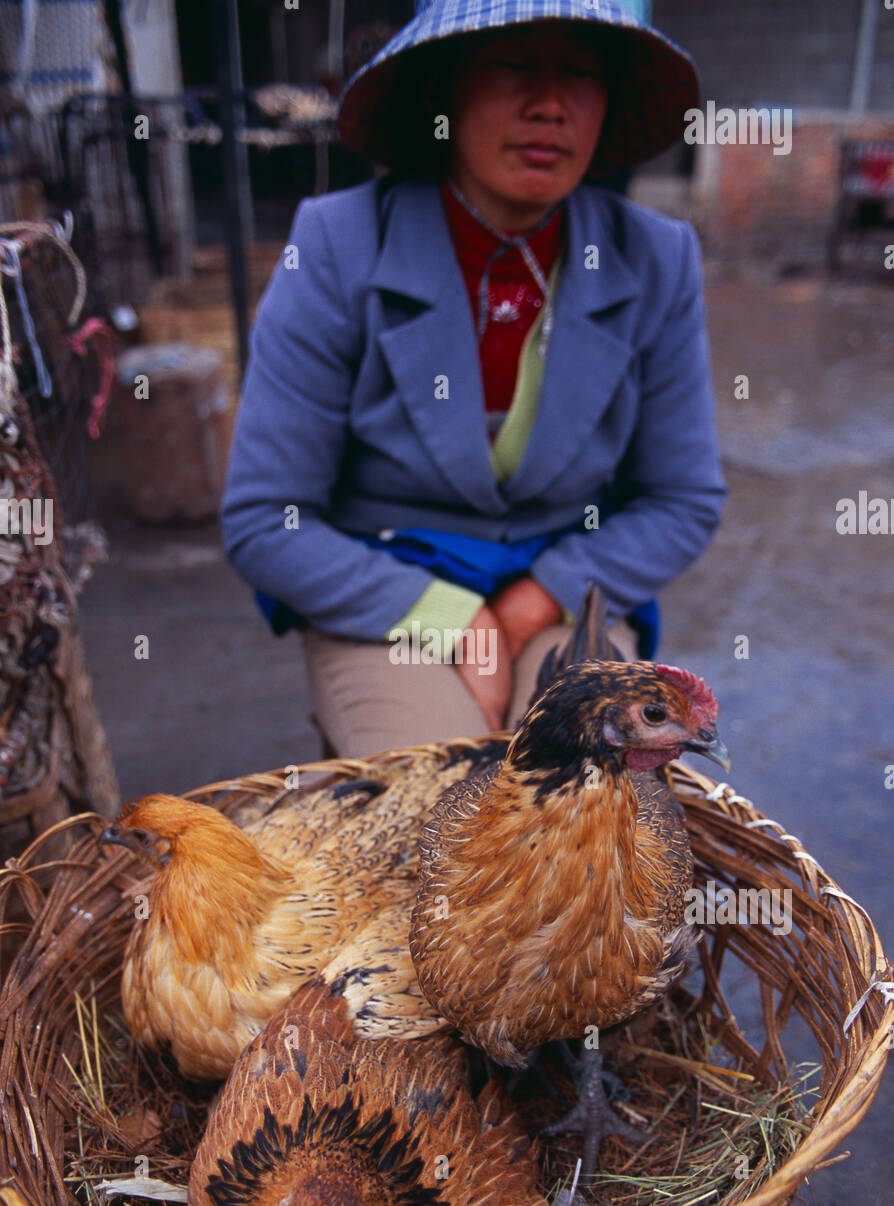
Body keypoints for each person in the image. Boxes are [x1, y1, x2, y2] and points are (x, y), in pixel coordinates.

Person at [220, 0, 725, 758]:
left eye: (581, 73)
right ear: (443, 91)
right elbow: (266, 517)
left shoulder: (655, 258)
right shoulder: (338, 244)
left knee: (598, 804)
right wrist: (450, 620)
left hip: (567, 587)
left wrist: (528, 608)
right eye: (513, 65)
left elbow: (681, 498)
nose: (549, 105)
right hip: (383, 590)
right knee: (443, 812)